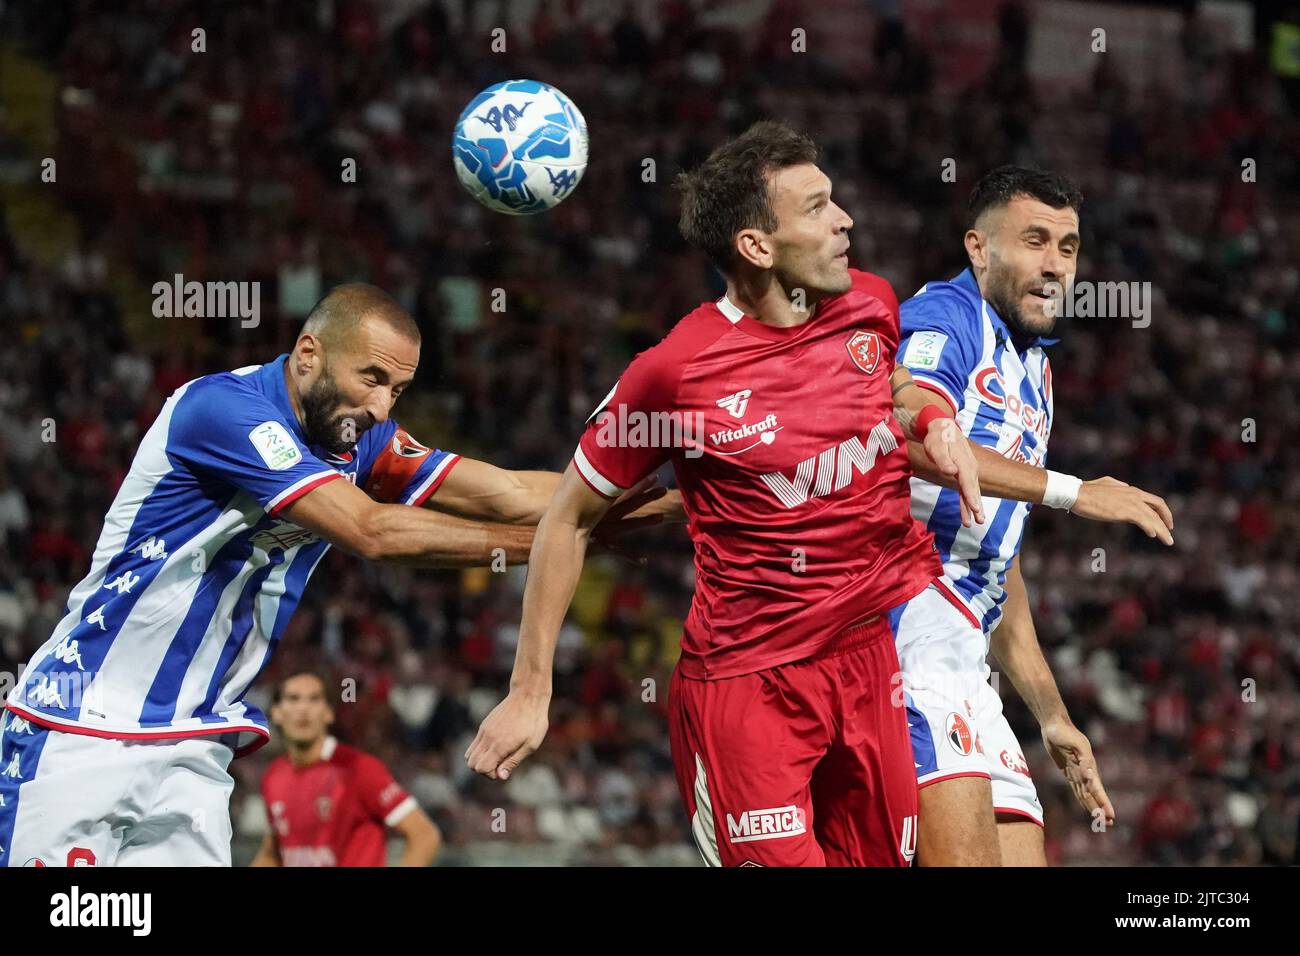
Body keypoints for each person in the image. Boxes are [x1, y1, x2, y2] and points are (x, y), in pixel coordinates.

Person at [466, 121, 987, 866]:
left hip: (871, 660)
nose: (845, 221)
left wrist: (933, 419)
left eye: (834, 200)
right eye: (816, 208)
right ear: (756, 247)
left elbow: (891, 381)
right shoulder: (675, 373)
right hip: (750, 688)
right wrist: (529, 690)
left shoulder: (869, 302)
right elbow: (569, 517)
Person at [0, 283, 662, 867]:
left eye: (397, 390)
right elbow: (372, 532)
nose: (381, 407)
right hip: (79, 728)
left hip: (192, 748)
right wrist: (568, 539)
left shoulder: (362, 440)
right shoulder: (224, 412)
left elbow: (513, 492)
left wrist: (665, 499)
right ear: (309, 353)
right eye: (370, 378)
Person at [893, 165, 1174, 865]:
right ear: (979, 249)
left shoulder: (1037, 369)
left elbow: (995, 558)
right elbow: (909, 432)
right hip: (902, 639)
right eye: (1035, 241)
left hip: (968, 663)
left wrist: (1051, 714)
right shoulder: (944, 318)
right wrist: (1075, 491)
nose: (1055, 266)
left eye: (1069, 248)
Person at [252, 671, 440, 867]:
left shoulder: (358, 768)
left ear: (329, 713)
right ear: (276, 712)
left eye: (314, 699)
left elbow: (424, 835)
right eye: (293, 699)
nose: (303, 709)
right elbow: (274, 853)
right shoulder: (274, 776)